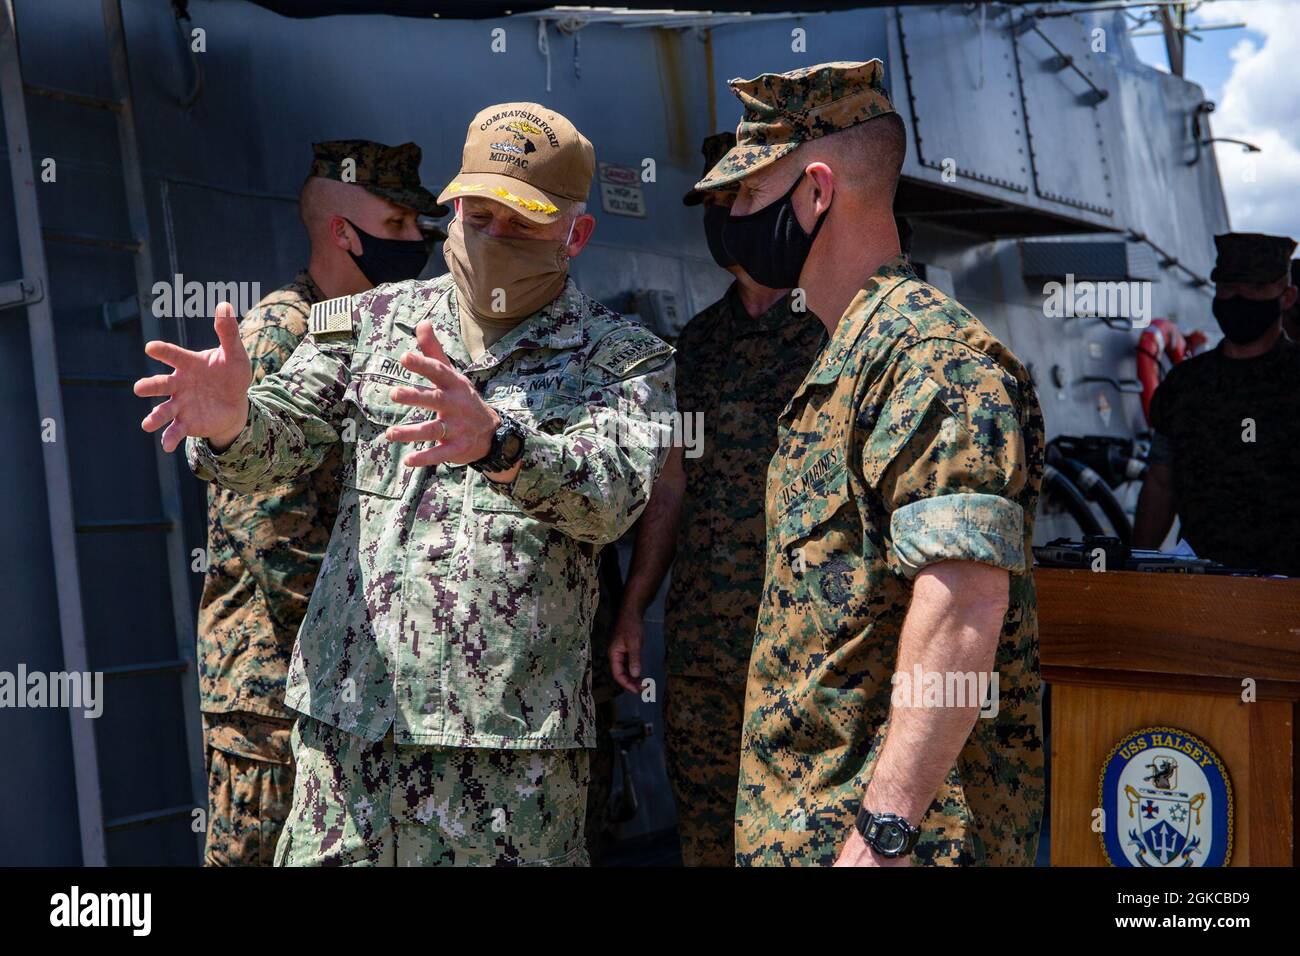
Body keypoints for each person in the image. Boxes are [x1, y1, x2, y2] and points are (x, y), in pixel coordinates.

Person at [135, 103, 676, 866]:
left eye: (520, 222)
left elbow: (613, 497)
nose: (491, 238)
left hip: (504, 766)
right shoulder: (369, 323)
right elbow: (278, 442)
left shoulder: (624, 360)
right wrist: (230, 421)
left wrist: (500, 445)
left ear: (576, 235)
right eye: (475, 213)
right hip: (350, 743)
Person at [695, 60, 1045, 866]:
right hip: (811, 826)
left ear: (816, 192)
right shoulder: (847, 356)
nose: (733, 220)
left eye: (748, 195)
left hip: (896, 845)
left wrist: (885, 829)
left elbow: (962, 602)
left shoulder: (927, 359)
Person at [197, 139, 441, 866]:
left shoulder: (367, 329)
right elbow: (268, 532)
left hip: (337, 685)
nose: (418, 244)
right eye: (398, 227)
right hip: (271, 690)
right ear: (342, 232)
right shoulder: (285, 330)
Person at [608, 131, 826, 867]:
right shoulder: (698, 347)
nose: (724, 215)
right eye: (713, 202)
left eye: (739, 198)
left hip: (813, 660)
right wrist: (637, 604)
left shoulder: (839, 332)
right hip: (705, 656)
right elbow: (675, 481)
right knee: (709, 842)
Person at [1134, 232, 1300, 575]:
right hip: (1204, 581)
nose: (1239, 299)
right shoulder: (1185, 385)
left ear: (1287, 297)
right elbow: (1161, 482)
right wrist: (1135, 565)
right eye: (1228, 289)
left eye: (1254, 289)